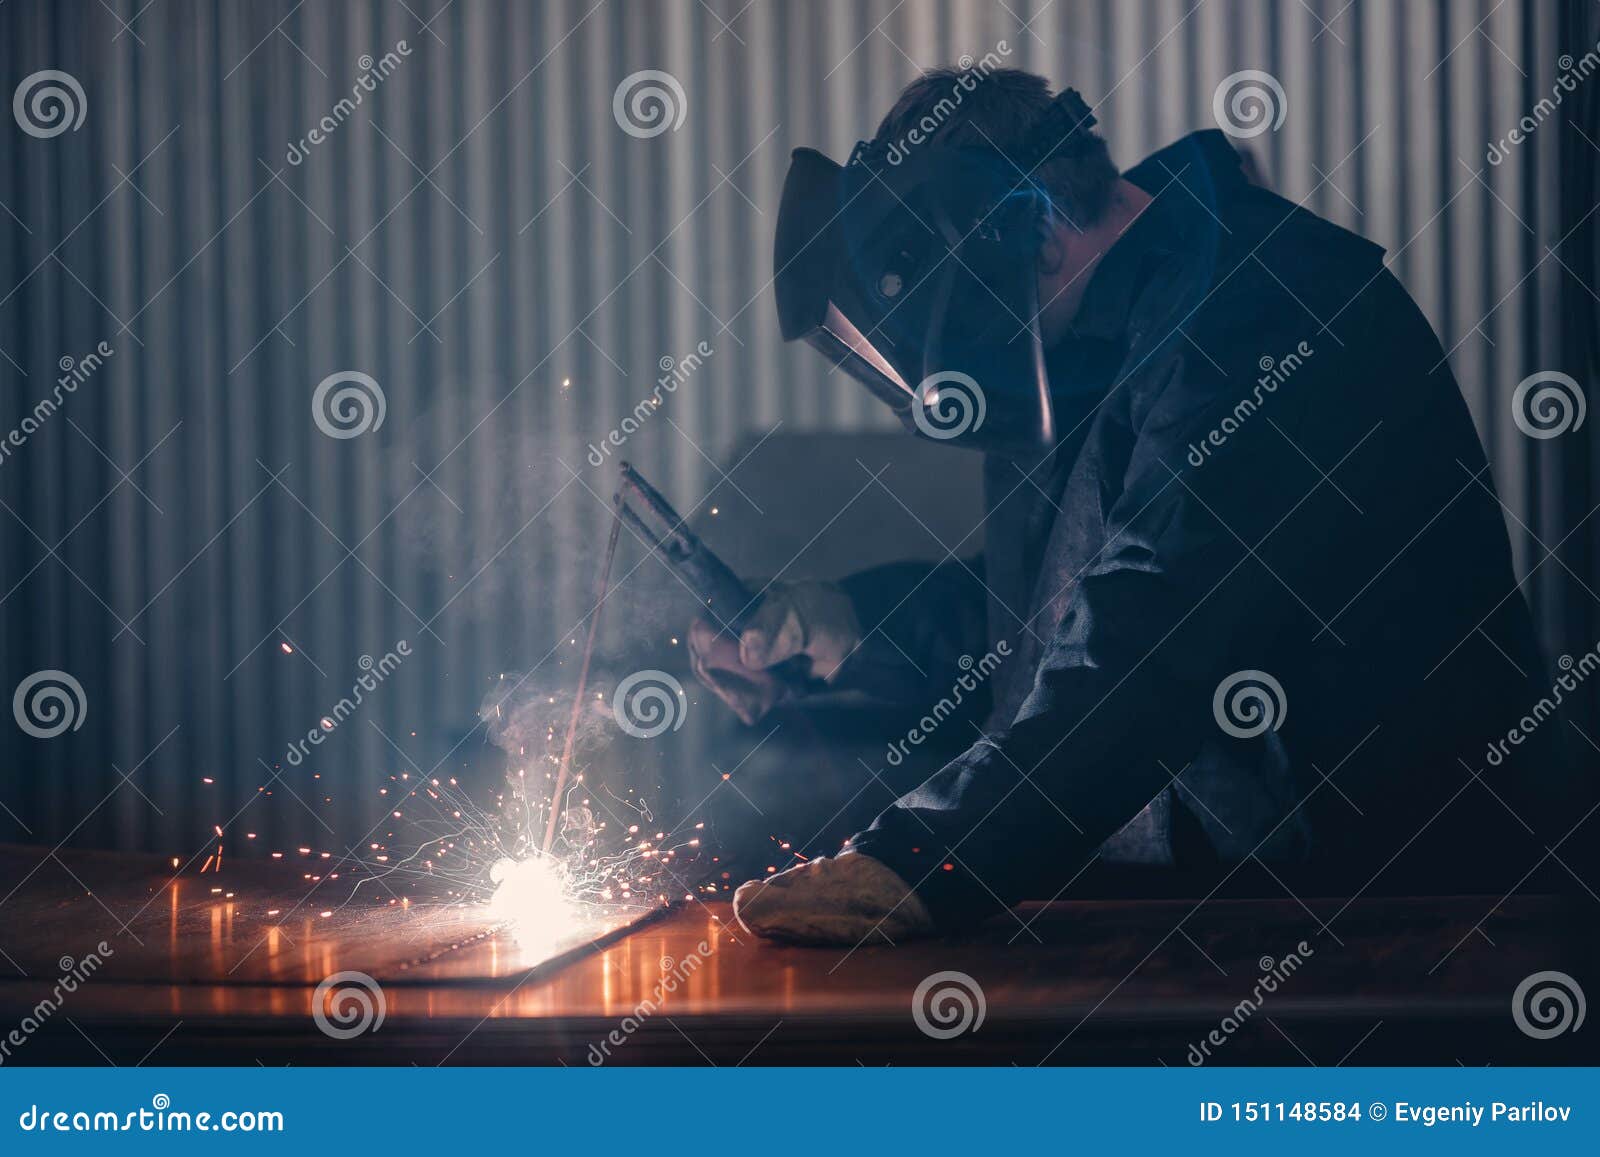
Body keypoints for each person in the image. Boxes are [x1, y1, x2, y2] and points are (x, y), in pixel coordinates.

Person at [689, 69, 1573, 945]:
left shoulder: (1267, 311)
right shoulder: (1099, 340)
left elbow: (1150, 639)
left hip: (1407, 931)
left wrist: (923, 859)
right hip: (1239, 915)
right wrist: (845, 624)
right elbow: (1045, 630)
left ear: (1028, 233)